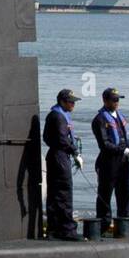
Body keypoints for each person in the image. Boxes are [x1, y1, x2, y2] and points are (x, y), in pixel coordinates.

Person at [92, 87, 129, 236]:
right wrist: (124, 151)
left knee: (125, 194)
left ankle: (125, 226)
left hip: (124, 162)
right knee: (105, 195)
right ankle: (104, 226)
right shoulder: (99, 119)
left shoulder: (120, 117)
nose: (117, 102)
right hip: (108, 162)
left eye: (118, 99)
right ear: (105, 100)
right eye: (114, 99)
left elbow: (124, 139)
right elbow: (104, 144)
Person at [42, 88, 85, 241]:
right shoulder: (59, 117)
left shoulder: (54, 115)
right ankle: (67, 230)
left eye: (74, 102)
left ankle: (54, 230)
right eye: (70, 101)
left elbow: (47, 137)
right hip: (60, 156)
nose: (73, 104)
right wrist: (75, 152)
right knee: (64, 192)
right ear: (62, 101)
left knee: (55, 194)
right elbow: (61, 139)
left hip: (55, 155)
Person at [15, 115, 44, 240]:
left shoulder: (32, 141)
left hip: (34, 180)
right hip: (33, 181)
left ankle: (34, 234)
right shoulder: (32, 141)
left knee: (35, 208)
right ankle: (32, 235)